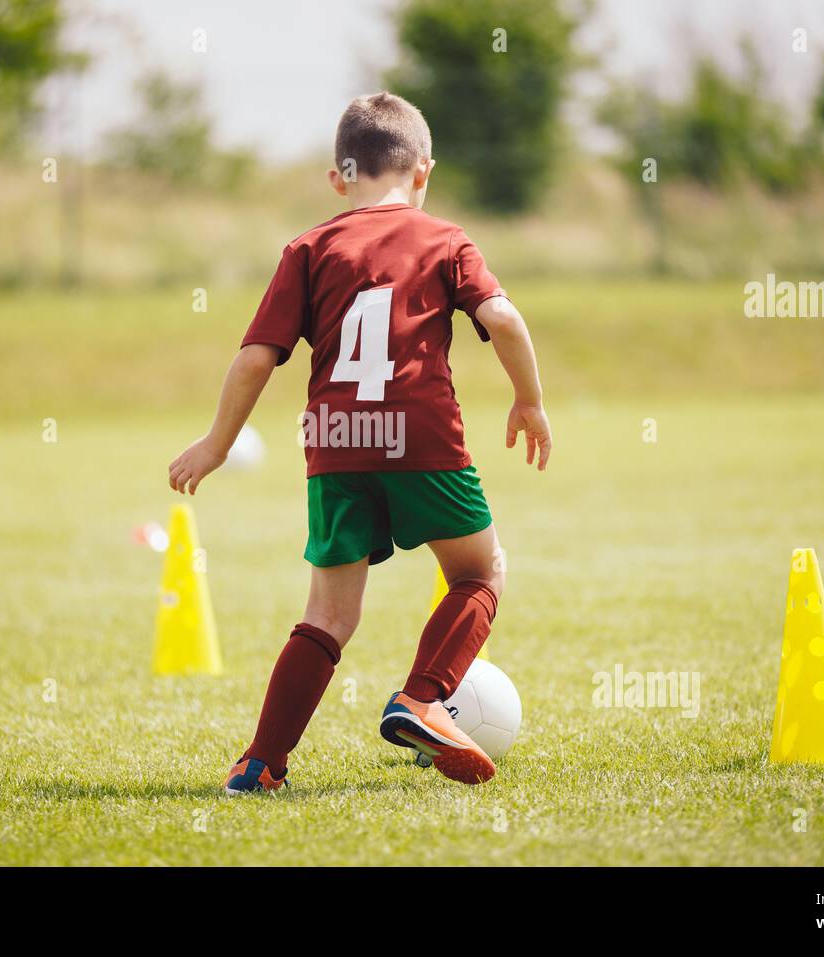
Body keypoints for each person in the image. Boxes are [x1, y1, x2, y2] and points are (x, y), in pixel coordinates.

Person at [167, 93, 552, 791]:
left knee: (330, 614)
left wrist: (218, 443)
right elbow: (502, 316)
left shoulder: (310, 248)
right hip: (423, 436)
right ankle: (422, 698)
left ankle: (260, 763)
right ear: (424, 171)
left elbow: (257, 356)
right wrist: (529, 399)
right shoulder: (446, 240)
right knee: (480, 569)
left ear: (339, 178)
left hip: (335, 443)